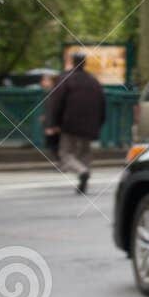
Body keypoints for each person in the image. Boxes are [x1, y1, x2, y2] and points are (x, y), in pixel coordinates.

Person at [42, 52, 106, 194]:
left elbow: (56, 102)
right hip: (90, 124)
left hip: (69, 123)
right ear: (85, 63)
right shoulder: (93, 81)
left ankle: (82, 171)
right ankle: (84, 178)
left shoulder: (66, 79)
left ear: (72, 62)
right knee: (85, 152)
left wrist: (53, 122)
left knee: (65, 153)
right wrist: (99, 122)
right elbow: (102, 103)